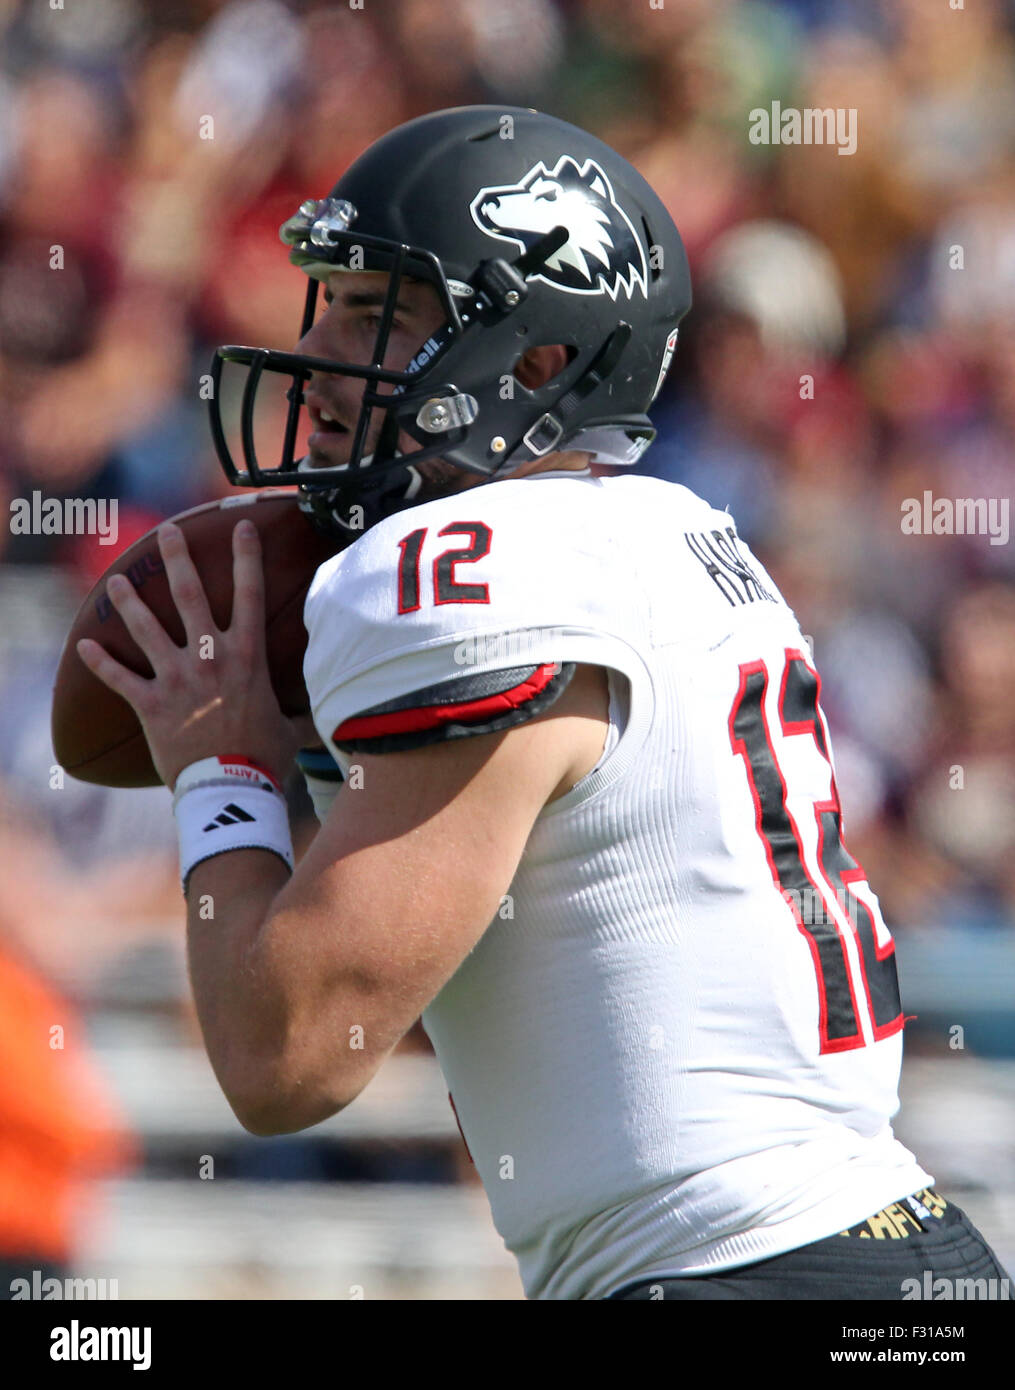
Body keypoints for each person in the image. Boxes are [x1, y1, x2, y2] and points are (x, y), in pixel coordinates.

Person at [77, 105, 1011, 1300]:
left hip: (729, 1267)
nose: (321, 365)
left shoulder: (464, 569)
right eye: (335, 306)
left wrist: (222, 770)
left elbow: (292, 1055)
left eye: (379, 315)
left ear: (532, 362)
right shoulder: (682, 534)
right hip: (891, 1252)